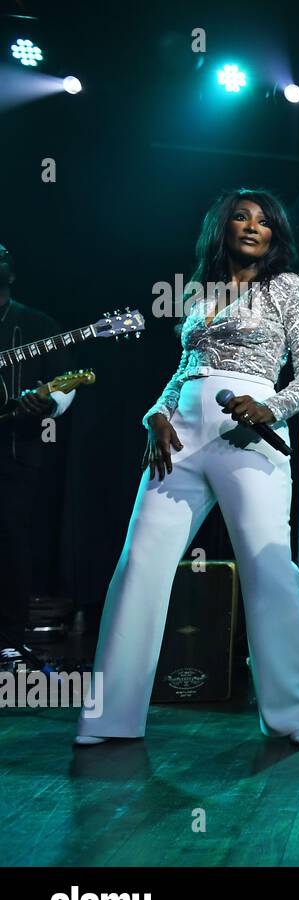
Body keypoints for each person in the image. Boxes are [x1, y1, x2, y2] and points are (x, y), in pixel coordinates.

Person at [75, 189, 299, 745]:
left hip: (250, 434)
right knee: (139, 564)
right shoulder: (201, 293)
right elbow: (184, 369)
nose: (252, 226)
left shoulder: (289, 287)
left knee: (268, 566)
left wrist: (271, 407)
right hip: (179, 437)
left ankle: (298, 712)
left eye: (264, 221)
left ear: (275, 235)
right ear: (223, 227)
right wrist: (156, 414)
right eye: (241, 217)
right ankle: (111, 716)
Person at [0, 243, 78, 667]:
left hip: (14, 455)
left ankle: (9, 642)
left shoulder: (36, 325)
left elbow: (65, 383)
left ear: (11, 272)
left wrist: (46, 402)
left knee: (11, 548)